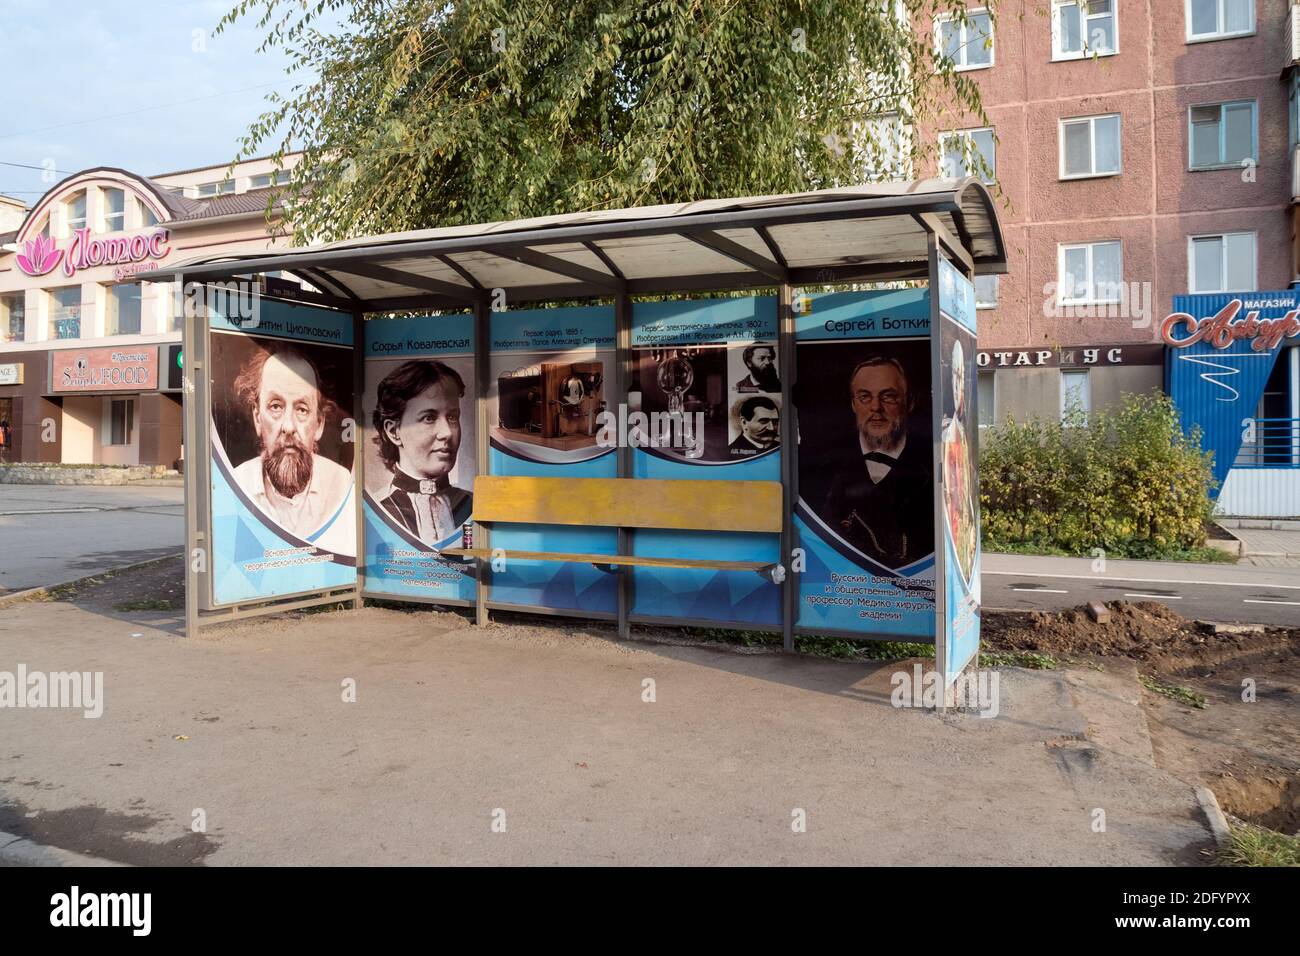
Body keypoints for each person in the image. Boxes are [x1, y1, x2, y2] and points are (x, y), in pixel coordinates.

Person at [230, 344, 352, 540]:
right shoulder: (235, 486)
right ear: (257, 418)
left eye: (302, 409)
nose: (288, 426)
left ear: (319, 424)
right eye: (276, 406)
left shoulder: (342, 484)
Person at [822, 355, 933, 568]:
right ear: (853, 404)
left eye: (888, 396)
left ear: (909, 403)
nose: (876, 407)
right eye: (865, 397)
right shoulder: (825, 465)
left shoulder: (931, 463)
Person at [373, 359, 472, 546]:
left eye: (452, 417)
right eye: (429, 418)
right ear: (394, 431)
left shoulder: (471, 505)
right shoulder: (376, 509)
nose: (447, 432)